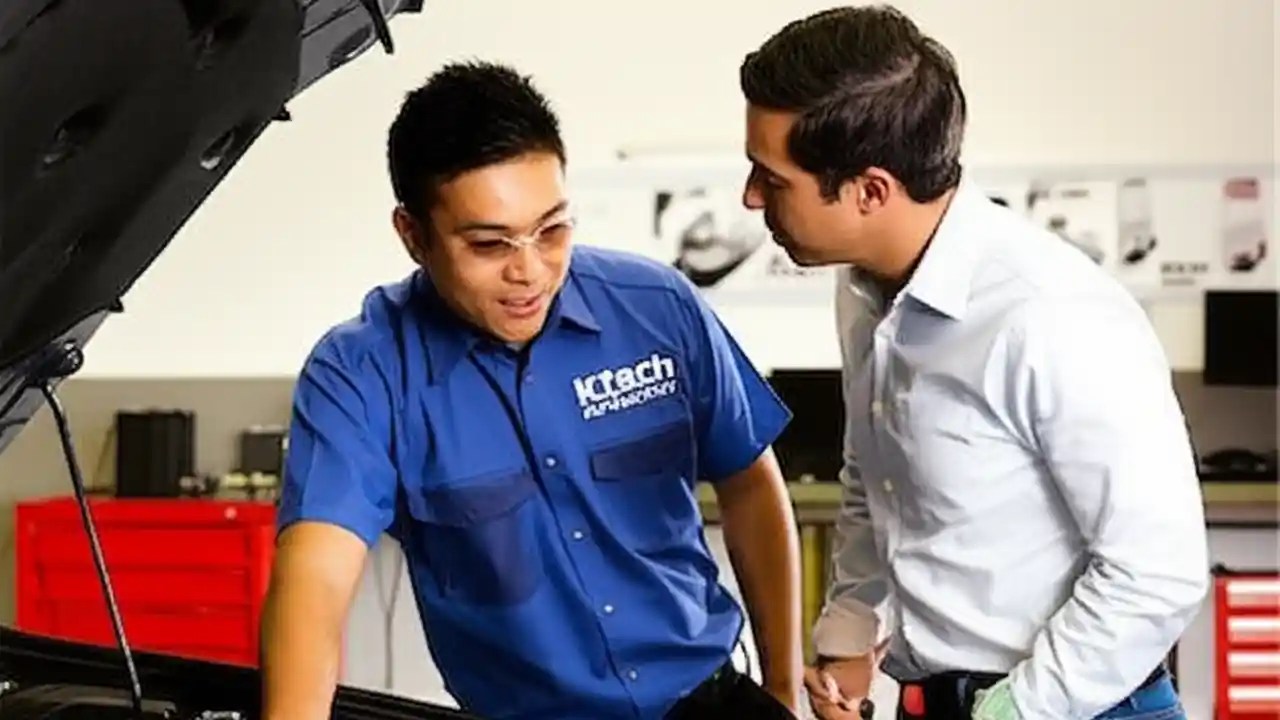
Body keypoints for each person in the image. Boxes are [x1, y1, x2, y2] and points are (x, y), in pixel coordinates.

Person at [258, 60, 805, 720]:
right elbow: (314, 580)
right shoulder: (362, 374)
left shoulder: (656, 307)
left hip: (709, 701)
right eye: (489, 245)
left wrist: (783, 685)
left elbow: (749, 480)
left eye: (553, 230)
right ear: (414, 236)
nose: (530, 271)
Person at [736, 6, 1209, 720]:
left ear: (870, 190)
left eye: (772, 179)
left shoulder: (1051, 314)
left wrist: (1009, 713)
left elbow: (1157, 574)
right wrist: (848, 639)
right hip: (940, 701)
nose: (750, 197)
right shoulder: (865, 289)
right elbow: (876, 474)